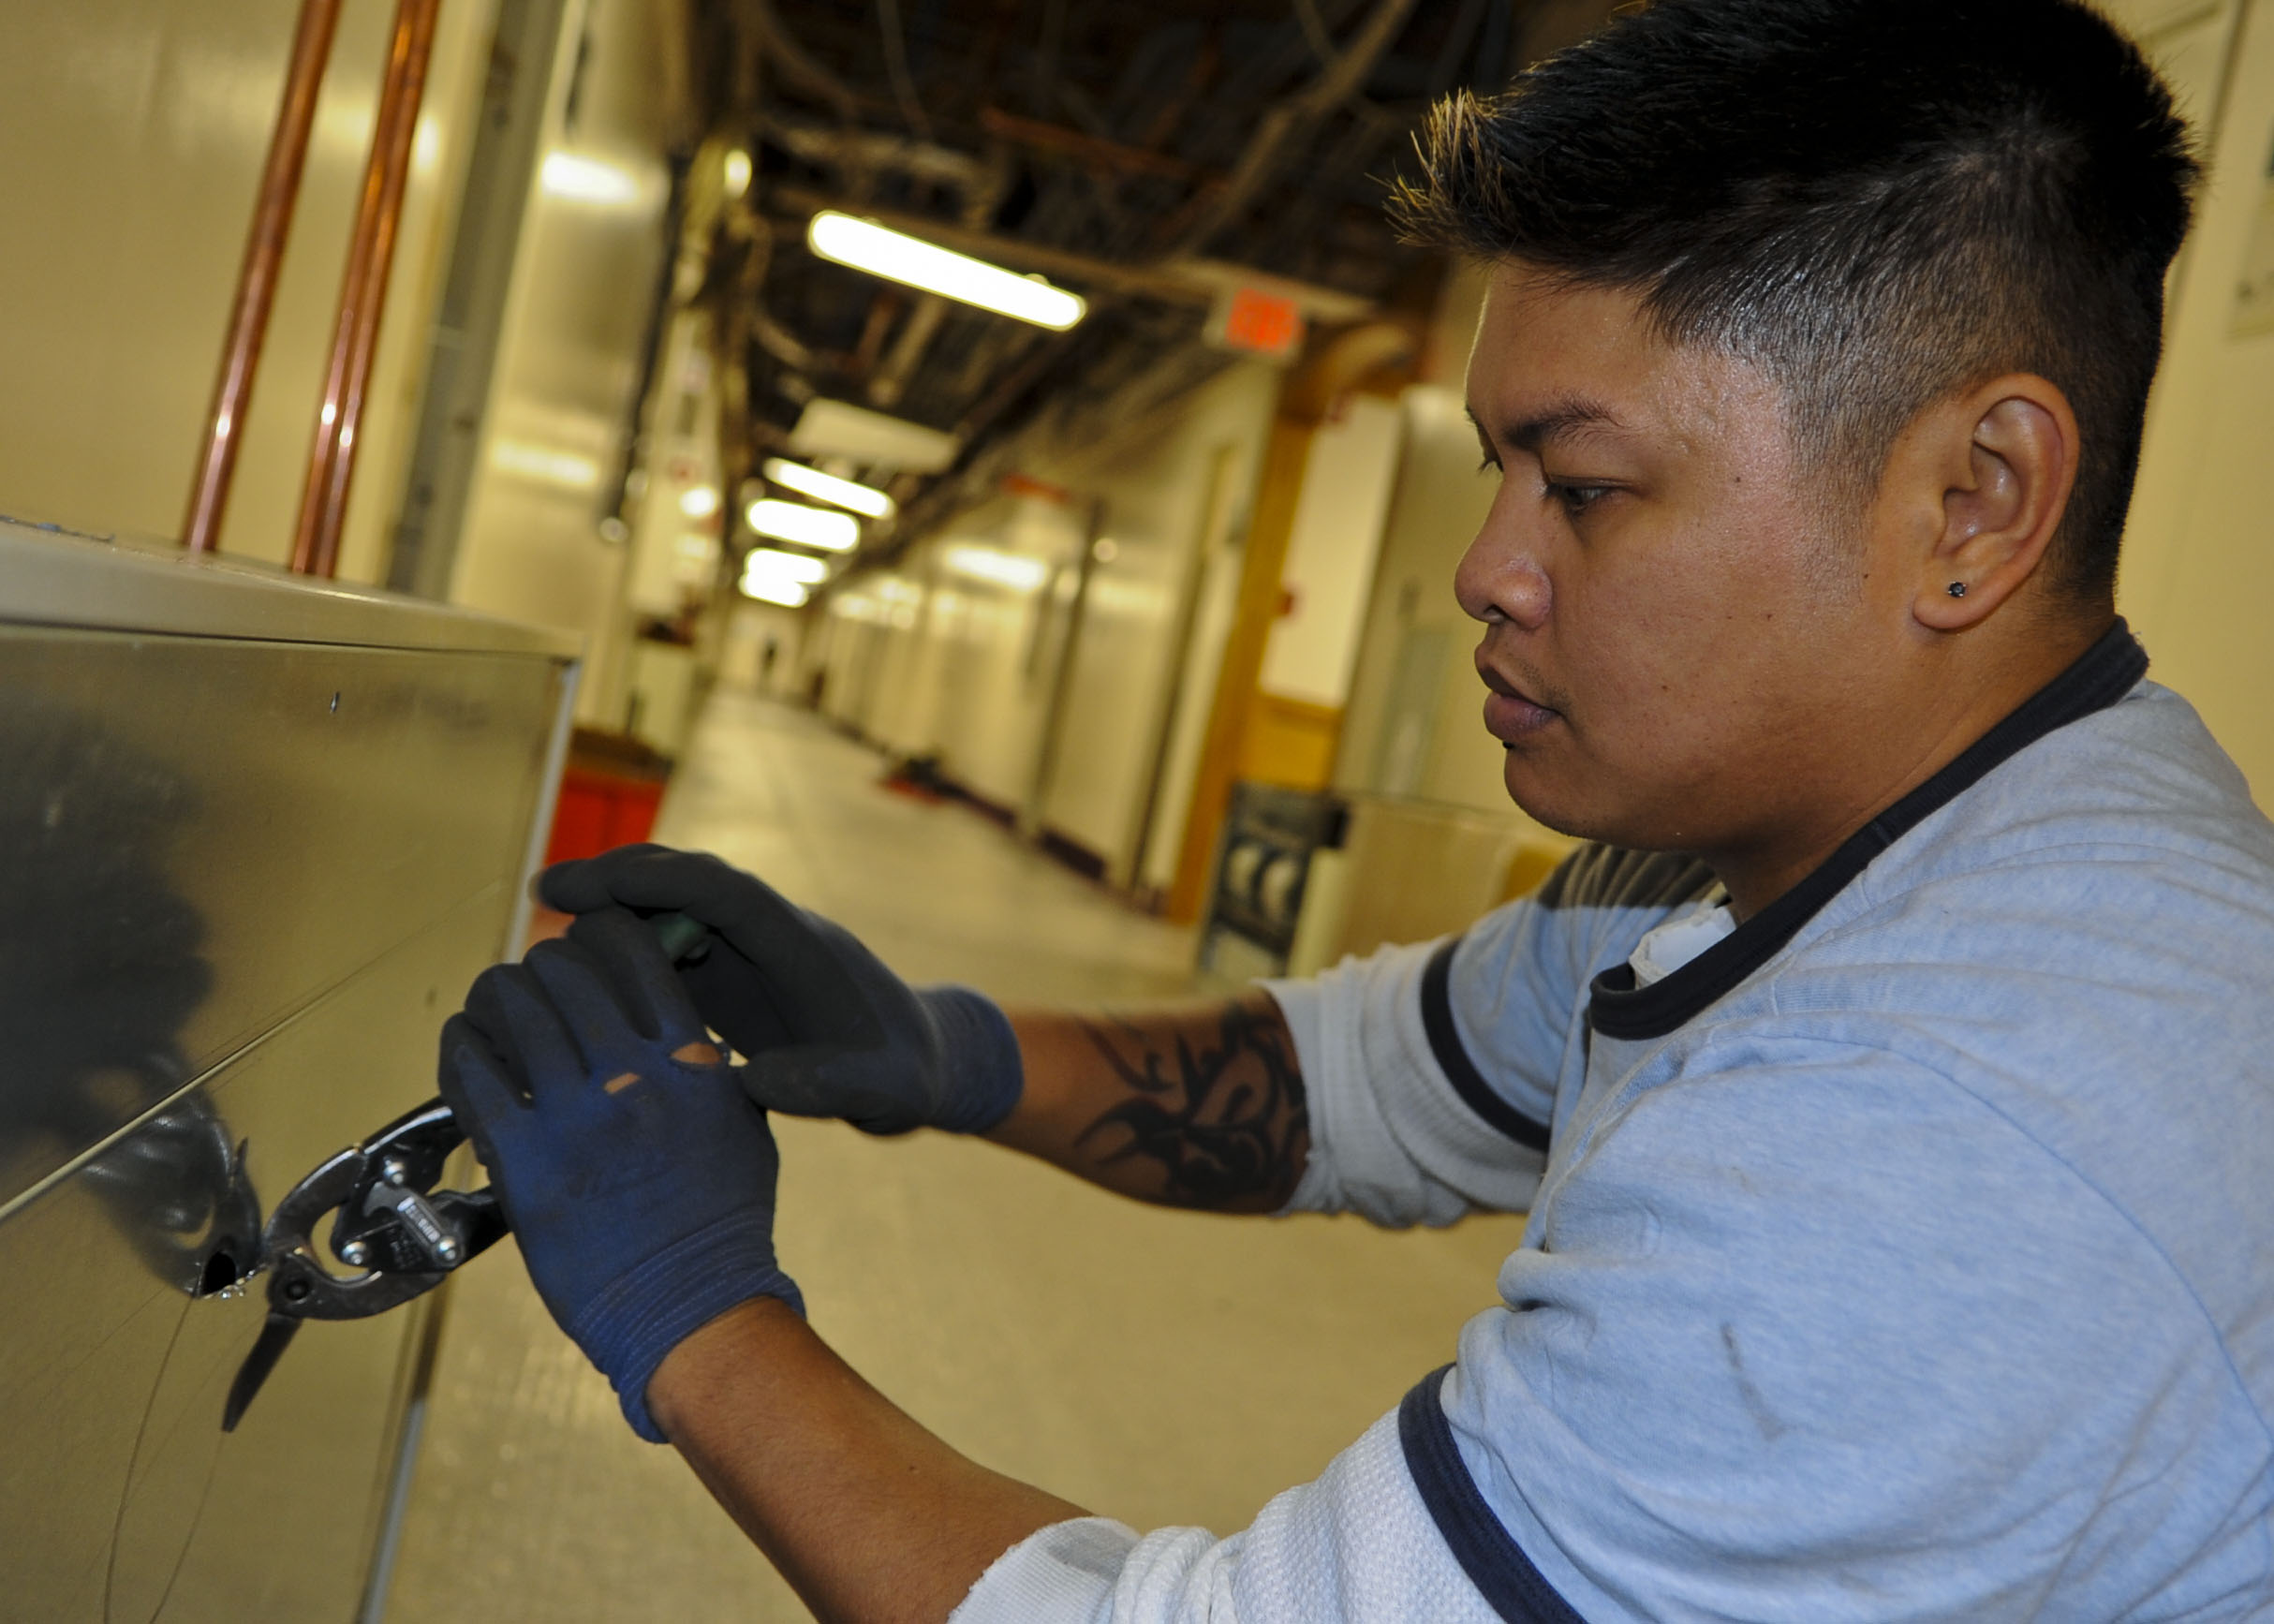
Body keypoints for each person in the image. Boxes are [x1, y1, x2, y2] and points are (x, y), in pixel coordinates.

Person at [436, 0, 2274, 1617]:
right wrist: (941, 1053)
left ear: (1970, 498)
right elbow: (1367, 1081)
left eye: (1583, 491)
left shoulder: (1974, 1129)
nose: (1479, 574)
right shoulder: (1809, 845)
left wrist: (698, 1315)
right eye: (1497, 472)